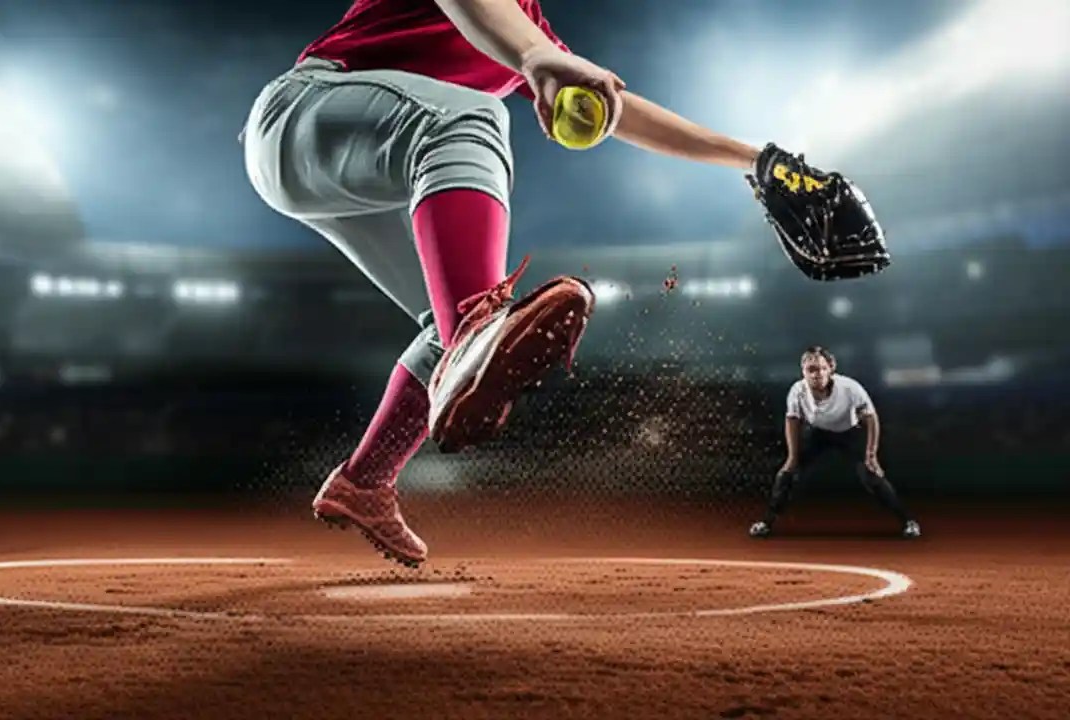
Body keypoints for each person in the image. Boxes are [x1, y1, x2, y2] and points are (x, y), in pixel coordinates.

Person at [241, 0, 859, 567]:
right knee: (468, 122)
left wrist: (754, 161)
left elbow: (627, 114)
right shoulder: (517, 33)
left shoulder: (524, 25)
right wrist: (535, 56)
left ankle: (366, 480)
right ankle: (474, 331)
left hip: (348, 161)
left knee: (448, 331)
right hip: (304, 111)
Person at [749, 346, 921, 539]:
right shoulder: (797, 391)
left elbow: (871, 418)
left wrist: (871, 455)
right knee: (787, 473)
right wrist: (792, 456)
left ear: (831, 368)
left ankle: (908, 522)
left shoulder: (850, 387)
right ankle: (766, 522)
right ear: (803, 371)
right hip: (817, 433)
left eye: (822, 368)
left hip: (849, 433)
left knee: (872, 476)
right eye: (811, 370)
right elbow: (792, 420)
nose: (817, 374)